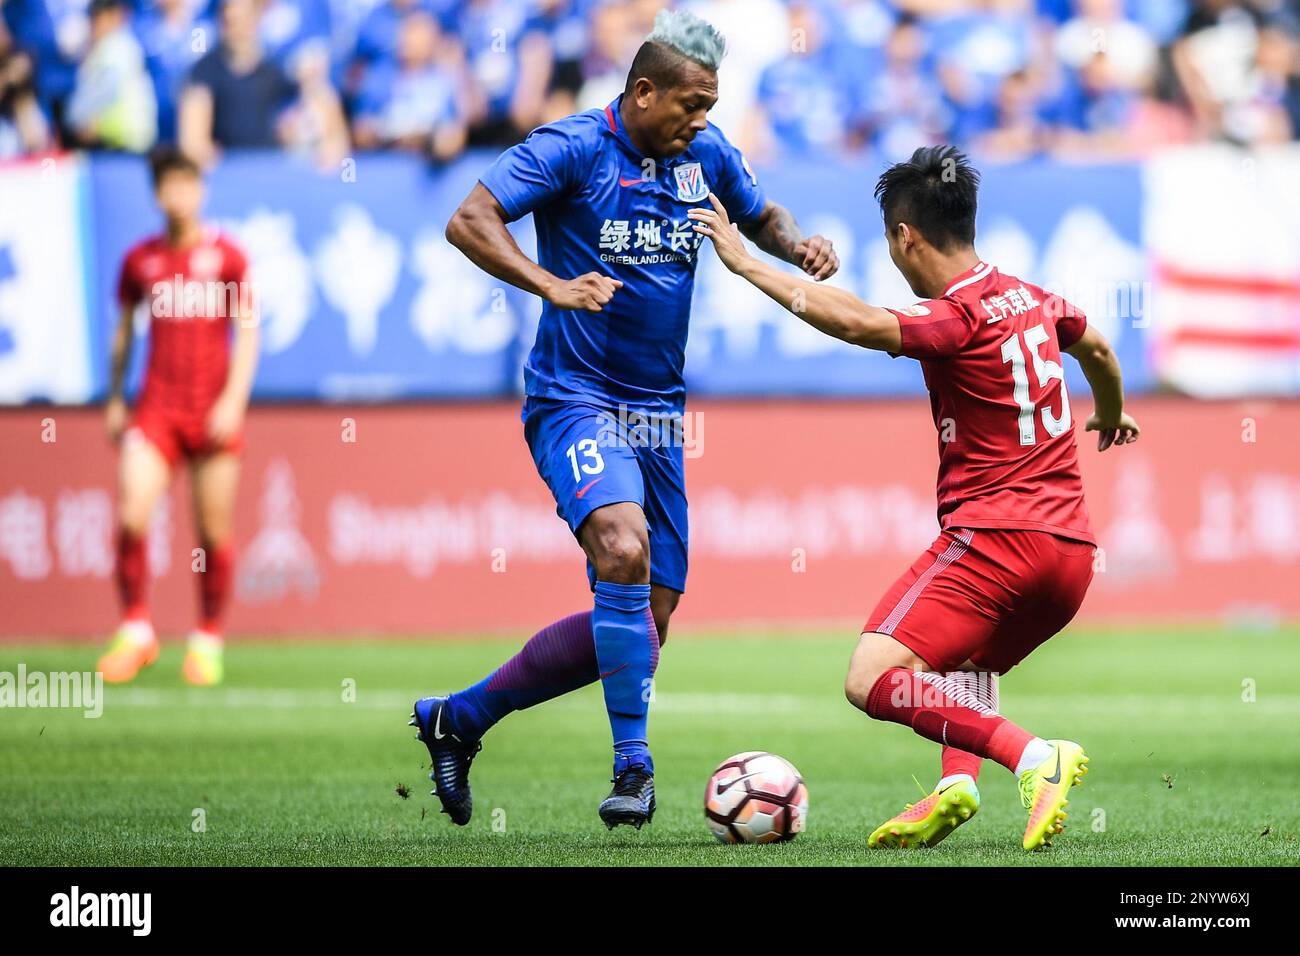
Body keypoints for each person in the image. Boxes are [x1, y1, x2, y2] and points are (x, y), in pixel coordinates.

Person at [418, 8, 839, 830]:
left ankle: (458, 719)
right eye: (690, 104)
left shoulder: (703, 153)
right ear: (644, 92)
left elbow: (763, 214)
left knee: (648, 619)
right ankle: (634, 769)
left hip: (657, 414)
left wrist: (800, 246)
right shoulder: (570, 147)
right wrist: (552, 284)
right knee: (621, 545)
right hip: (574, 396)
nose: (702, 121)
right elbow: (467, 219)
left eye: (710, 106)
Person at [689, 145, 1141, 852]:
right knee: (961, 664)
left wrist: (748, 264)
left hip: (995, 542)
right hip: (1073, 558)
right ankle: (955, 784)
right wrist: (1110, 413)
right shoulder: (1034, 297)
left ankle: (1033, 757)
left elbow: (860, 323)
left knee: (870, 678)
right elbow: (1102, 353)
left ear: (904, 236)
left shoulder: (956, 317)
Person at [97, 147, 259, 688]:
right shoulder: (139, 261)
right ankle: (137, 630)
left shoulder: (229, 258)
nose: (177, 196)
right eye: (167, 186)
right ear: (156, 193)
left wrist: (234, 400)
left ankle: (207, 638)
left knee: (213, 532)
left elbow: (249, 330)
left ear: (200, 191)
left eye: (186, 185)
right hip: (157, 409)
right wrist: (116, 395)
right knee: (131, 513)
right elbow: (122, 331)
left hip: (211, 411)